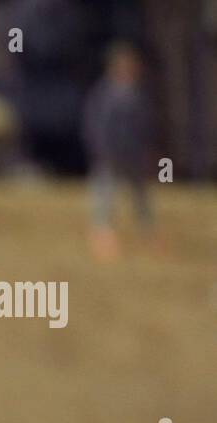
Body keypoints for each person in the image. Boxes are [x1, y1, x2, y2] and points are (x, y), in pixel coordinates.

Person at [82, 42, 156, 261]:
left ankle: (147, 230)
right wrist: (102, 149)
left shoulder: (138, 95)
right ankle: (102, 232)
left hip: (133, 154)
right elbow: (96, 125)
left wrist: (146, 149)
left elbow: (145, 126)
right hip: (110, 154)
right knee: (105, 193)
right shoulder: (105, 95)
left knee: (140, 194)